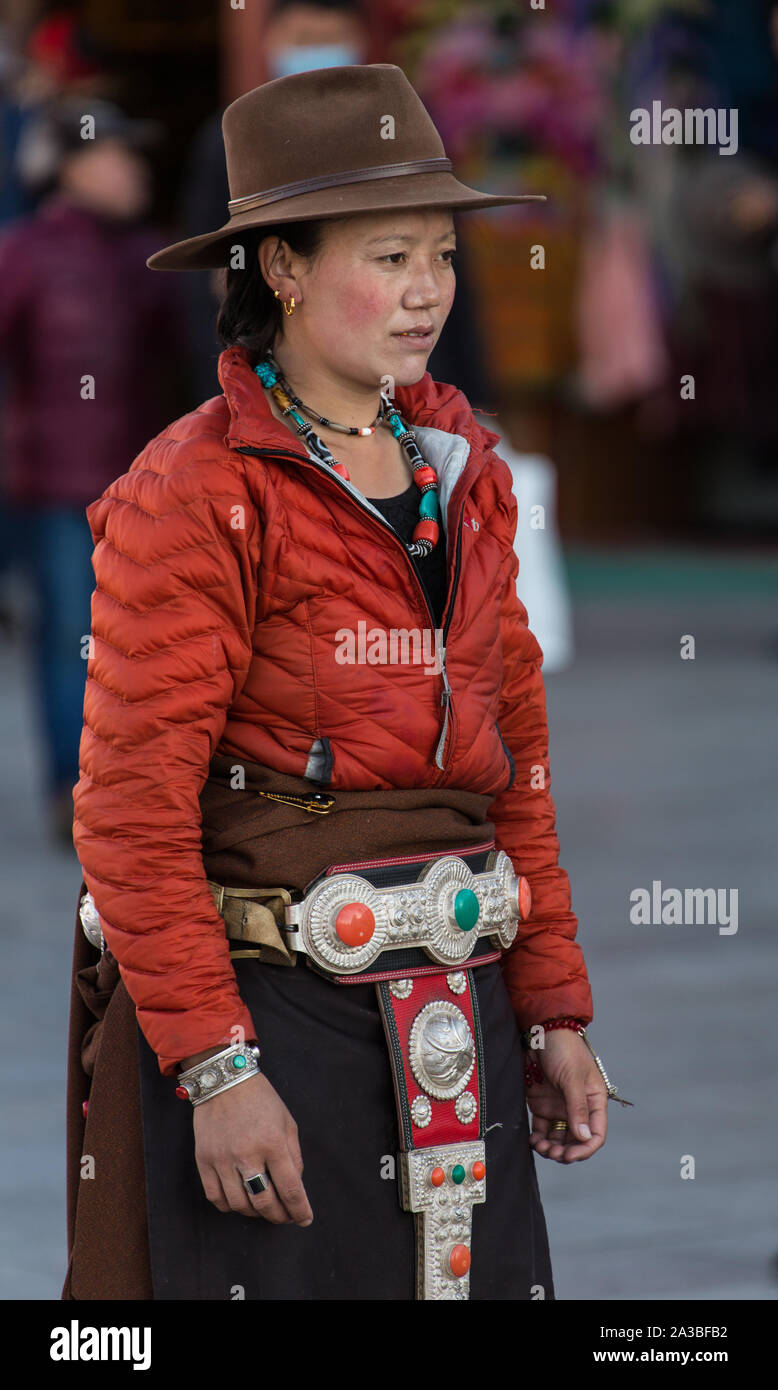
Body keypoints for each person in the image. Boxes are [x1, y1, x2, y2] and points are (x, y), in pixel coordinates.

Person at [66, 63, 629, 1302]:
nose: (427, 289)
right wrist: (218, 1073)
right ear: (279, 266)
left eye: (438, 252)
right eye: (389, 255)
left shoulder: (460, 465)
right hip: (282, 1027)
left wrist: (553, 1015)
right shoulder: (194, 493)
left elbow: (515, 768)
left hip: (463, 1013)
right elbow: (131, 815)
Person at [0, 96, 184, 842]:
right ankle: (71, 794)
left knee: (147, 649)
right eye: (114, 154)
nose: (132, 170)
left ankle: (135, 792)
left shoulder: (153, 257)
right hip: (54, 488)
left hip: (146, 491)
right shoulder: (24, 253)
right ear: (68, 169)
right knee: (70, 637)